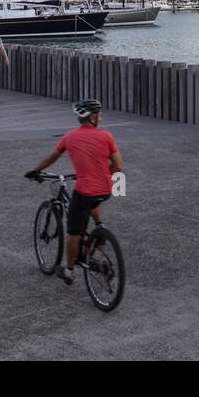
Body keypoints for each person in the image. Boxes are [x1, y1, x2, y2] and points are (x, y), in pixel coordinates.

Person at [24, 100, 123, 285]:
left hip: (85, 191)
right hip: (105, 190)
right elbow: (118, 166)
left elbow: (52, 157)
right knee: (92, 201)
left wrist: (35, 171)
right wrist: (102, 174)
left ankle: (69, 271)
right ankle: (100, 227)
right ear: (92, 118)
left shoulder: (69, 137)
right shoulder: (107, 136)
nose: (101, 117)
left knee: (73, 231)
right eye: (99, 115)